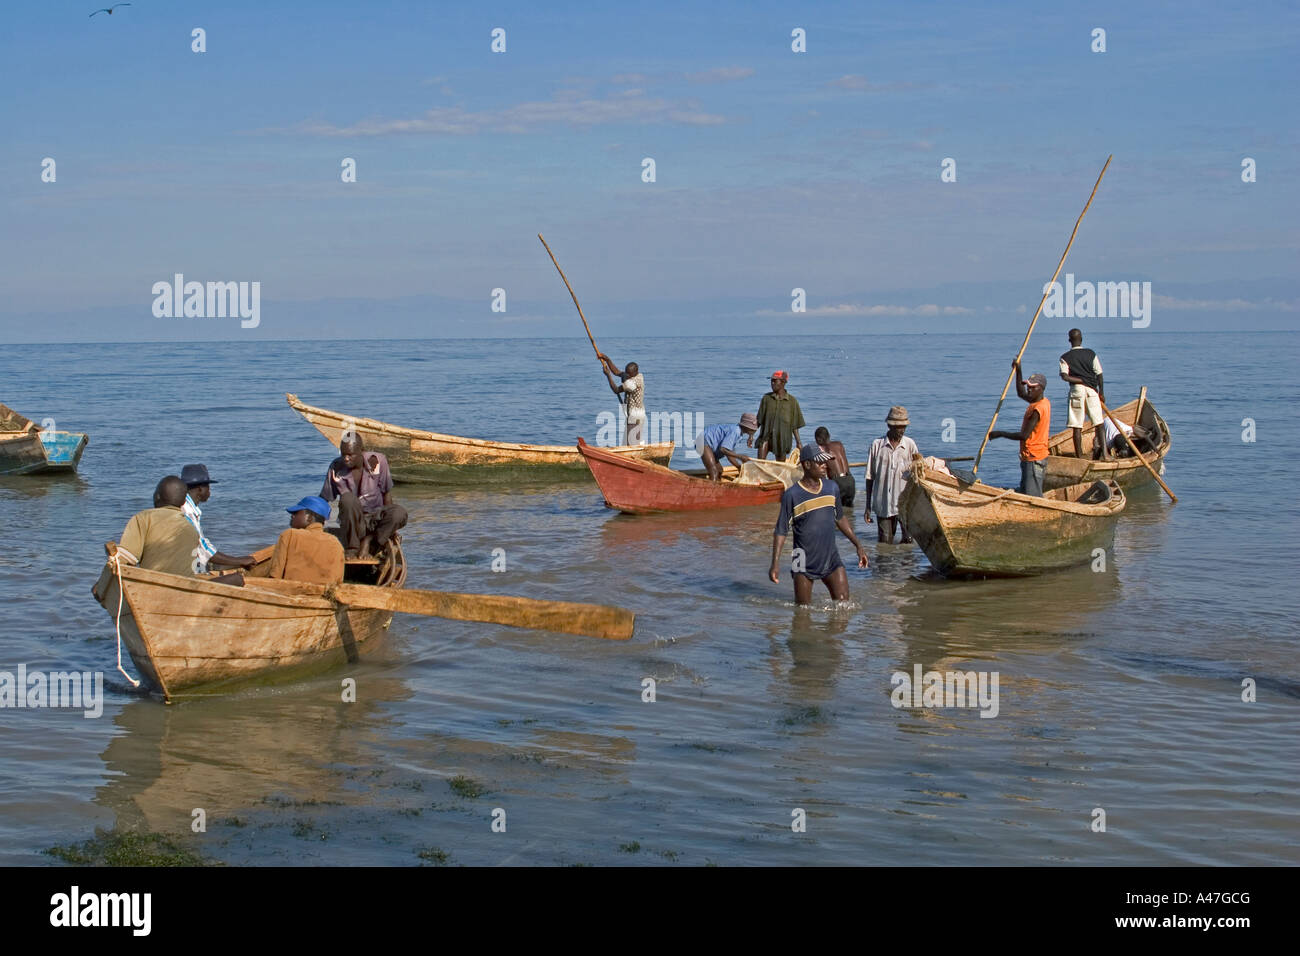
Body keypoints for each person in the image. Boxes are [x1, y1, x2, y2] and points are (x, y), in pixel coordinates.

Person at [768, 443, 868, 605]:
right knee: (803, 613)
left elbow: (840, 518)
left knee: (844, 607)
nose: (825, 466)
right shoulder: (791, 495)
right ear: (807, 465)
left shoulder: (832, 488)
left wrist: (858, 545)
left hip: (831, 557)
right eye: (820, 462)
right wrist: (775, 563)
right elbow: (781, 531)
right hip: (801, 559)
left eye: (825, 462)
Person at [320, 433, 408, 559]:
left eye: (350, 454)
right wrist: (319, 525)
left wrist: (390, 529)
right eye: (343, 454)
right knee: (348, 499)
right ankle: (353, 547)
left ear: (361, 451)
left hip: (374, 521)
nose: (346, 458)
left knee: (399, 513)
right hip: (352, 524)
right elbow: (325, 499)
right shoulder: (336, 468)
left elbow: (386, 495)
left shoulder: (378, 462)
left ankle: (369, 541)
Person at [988, 362, 1051, 497]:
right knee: (1026, 492)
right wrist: (1018, 371)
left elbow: (1024, 435)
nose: (1029, 390)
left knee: (1032, 497)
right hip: (1029, 456)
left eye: (1032, 388)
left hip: (1034, 457)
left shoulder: (1037, 409)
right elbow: (1021, 393)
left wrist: (1000, 434)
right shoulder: (1039, 401)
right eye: (1028, 386)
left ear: (1041, 388)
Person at [179, 464, 256, 572]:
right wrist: (239, 561)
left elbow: (203, 544)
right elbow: (203, 548)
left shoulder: (186, 506)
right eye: (208, 487)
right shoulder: (187, 511)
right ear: (200, 489)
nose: (210, 491)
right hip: (189, 569)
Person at [864, 407, 921, 542]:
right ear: (889, 426)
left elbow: (918, 475)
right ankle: (885, 564)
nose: (901, 430)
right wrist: (868, 506)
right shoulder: (877, 445)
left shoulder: (910, 445)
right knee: (885, 541)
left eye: (903, 427)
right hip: (883, 502)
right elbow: (869, 477)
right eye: (898, 427)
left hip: (905, 503)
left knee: (908, 540)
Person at [268, 495, 345, 586]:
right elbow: (338, 581)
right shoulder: (336, 543)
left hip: (291, 595)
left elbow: (274, 576)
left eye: (296, 513)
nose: (292, 516)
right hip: (322, 596)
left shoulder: (290, 535)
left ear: (309, 518)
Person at [1059, 328, 1106, 459]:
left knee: (1077, 426)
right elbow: (1099, 374)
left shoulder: (1064, 357)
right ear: (1082, 339)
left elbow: (1064, 376)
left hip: (1076, 391)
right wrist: (1101, 392)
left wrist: (1080, 381)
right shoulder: (1091, 354)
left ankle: (1079, 458)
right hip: (1092, 390)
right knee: (1099, 423)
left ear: (1069, 340)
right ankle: (1106, 454)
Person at [597, 351, 645, 445]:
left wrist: (608, 375)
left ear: (634, 373)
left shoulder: (633, 383)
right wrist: (607, 359)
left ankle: (635, 455)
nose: (626, 375)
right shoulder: (637, 375)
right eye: (626, 373)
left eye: (628, 374)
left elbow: (616, 390)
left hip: (635, 415)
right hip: (632, 414)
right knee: (628, 441)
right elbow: (617, 372)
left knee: (632, 442)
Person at [756, 370, 805, 461]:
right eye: (771, 381)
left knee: (780, 466)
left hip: (781, 439)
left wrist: (799, 443)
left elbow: (794, 425)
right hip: (766, 436)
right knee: (760, 463)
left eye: (775, 381)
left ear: (783, 382)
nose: (772, 383)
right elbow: (759, 419)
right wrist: (751, 435)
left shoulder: (792, 401)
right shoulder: (766, 399)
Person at [695, 413, 758, 481]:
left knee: (719, 471)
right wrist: (740, 457)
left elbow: (729, 454)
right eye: (752, 429)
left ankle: (717, 487)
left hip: (712, 446)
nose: (754, 431)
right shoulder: (735, 431)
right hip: (703, 442)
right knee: (714, 472)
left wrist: (739, 467)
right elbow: (723, 449)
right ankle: (712, 489)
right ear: (746, 427)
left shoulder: (739, 434)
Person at [814, 426, 855, 508]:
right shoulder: (839, 444)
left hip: (838, 482)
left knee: (836, 513)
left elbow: (821, 475)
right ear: (829, 436)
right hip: (850, 480)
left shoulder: (822, 450)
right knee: (850, 511)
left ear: (819, 439)